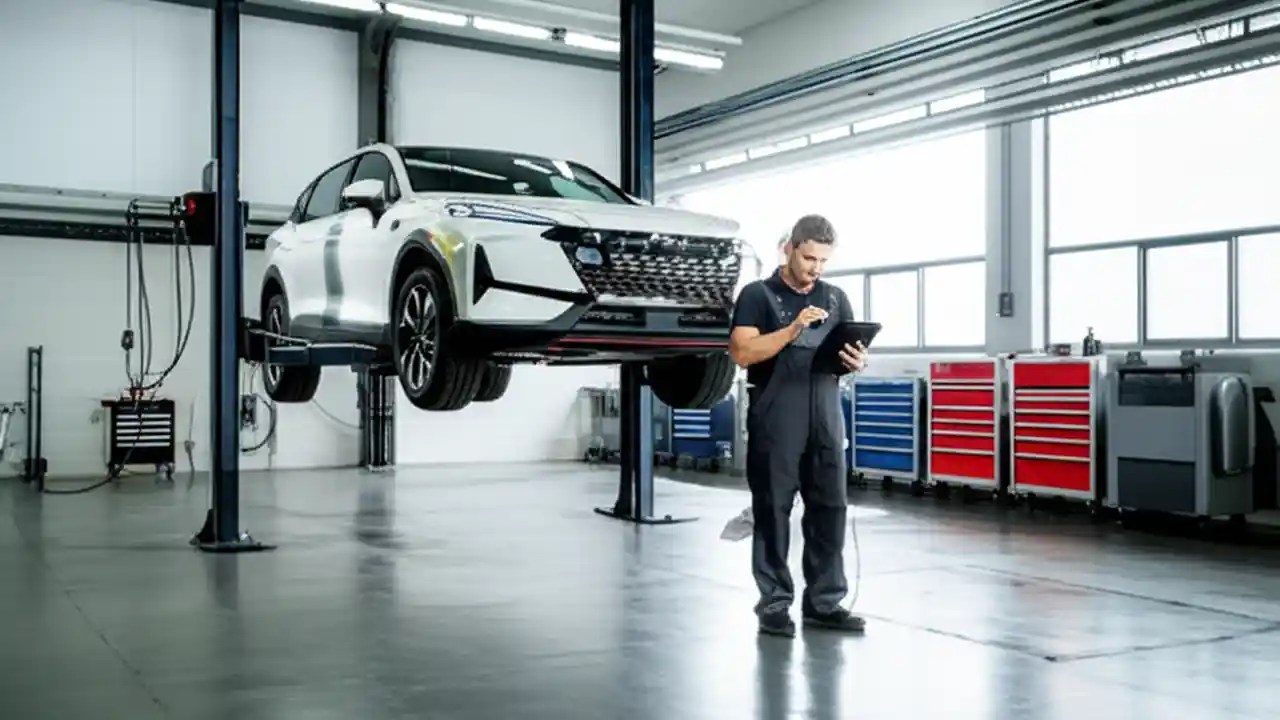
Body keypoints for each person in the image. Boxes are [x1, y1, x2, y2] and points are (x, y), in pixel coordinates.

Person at [727, 214, 868, 638]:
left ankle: (824, 603)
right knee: (773, 510)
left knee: (830, 509)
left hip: (826, 411)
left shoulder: (836, 297)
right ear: (790, 248)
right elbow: (742, 352)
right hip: (777, 412)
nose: (816, 269)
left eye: (823, 261)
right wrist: (791, 329)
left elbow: (849, 351)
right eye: (809, 258)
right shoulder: (757, 295)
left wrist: (858, 361)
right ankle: (774, 604)